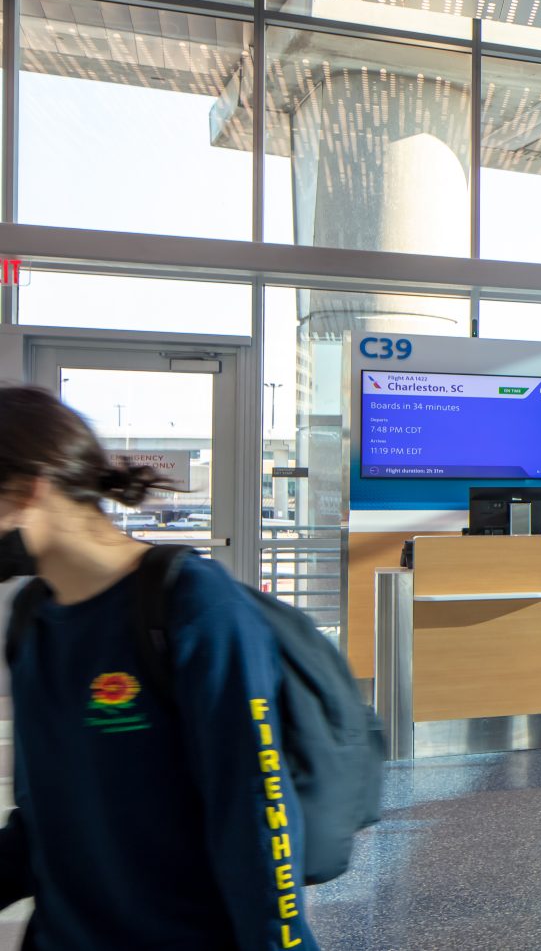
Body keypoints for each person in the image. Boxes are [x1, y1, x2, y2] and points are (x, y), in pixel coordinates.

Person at [0, 386, 322, 949]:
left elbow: (256, 816)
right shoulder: (35, 618)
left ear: (31, 489)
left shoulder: (192, 606)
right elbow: (47, 813)